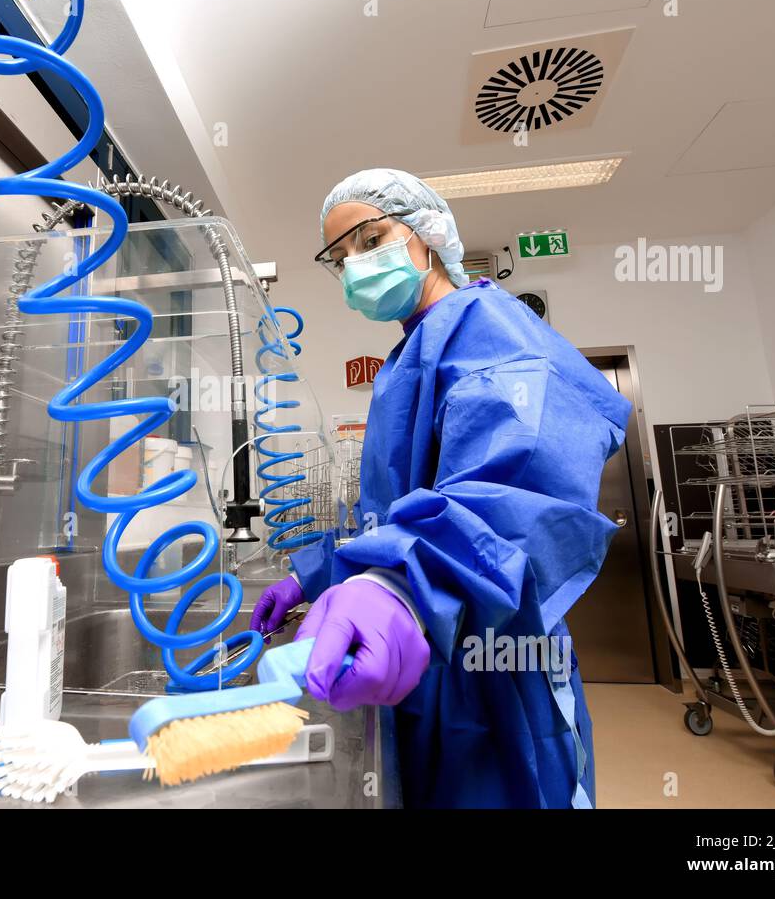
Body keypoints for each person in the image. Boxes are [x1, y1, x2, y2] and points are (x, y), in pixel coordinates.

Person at [251, 168, 632, 808]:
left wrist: (397, 582)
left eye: (371, 239)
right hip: (436, 660)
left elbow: (519, 482)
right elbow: (397, 510)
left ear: (426, 236)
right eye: (339, 256)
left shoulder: (486, 324)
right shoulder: (408, 358)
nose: (355, 266)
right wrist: (318, 574)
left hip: (494, 662)